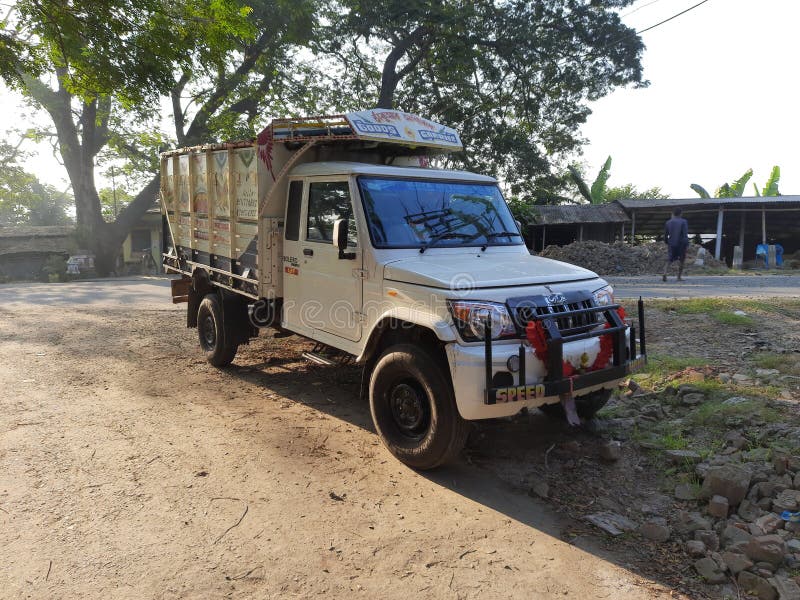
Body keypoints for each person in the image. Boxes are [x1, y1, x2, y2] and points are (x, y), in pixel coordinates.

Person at [662, 207, 689, 282]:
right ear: (681, 214)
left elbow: (665, 235)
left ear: (673, 213)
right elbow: (685, 234)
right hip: (681, 243)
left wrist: (667, 242)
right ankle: (679, 277)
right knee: (682, 260)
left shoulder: (668, 222)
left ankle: (665, 273)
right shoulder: (684, 221)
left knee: (670, 259)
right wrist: (687, 244)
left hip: (671, 243)